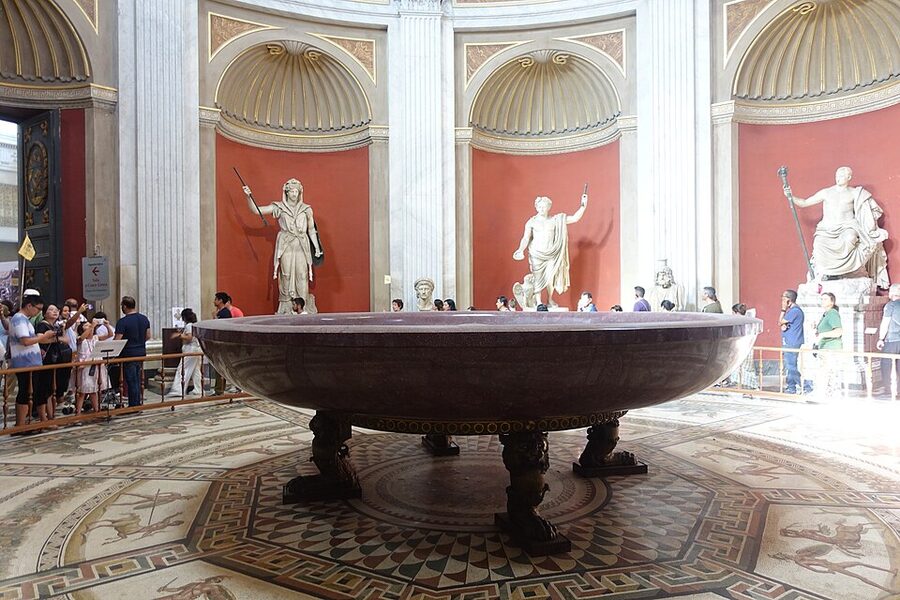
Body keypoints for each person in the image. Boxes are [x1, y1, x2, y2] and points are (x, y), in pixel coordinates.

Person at [784, 166, 888, 286]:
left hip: (847, 226)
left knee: (849, 238)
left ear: (849, 177)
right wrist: (791, 196)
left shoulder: (855, 193)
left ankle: (847, 272)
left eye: (841, 176)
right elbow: (805, 202)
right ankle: (828, 273)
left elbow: (867, 210)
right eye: (837, 175)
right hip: (827, 228)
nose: (838, 178)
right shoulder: (826, 192)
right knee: (818, 244)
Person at [242, 178, 323, 314]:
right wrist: (248, 196)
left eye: (296, 191)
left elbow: (311, 230)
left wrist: (317, 248)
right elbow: (257, 211)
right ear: (286, 192)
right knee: (286, 275)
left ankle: (302, 308)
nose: (294, 194)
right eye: (291, 191)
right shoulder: (279, 207)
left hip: (302, 245)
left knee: (302, 275)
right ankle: (287, 307)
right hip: (286, 244)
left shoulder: (306, 209)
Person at [513, 191, 588, 307]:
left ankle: (549, 299)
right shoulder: (531, 222)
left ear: (549, 207)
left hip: (551, 253)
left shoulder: (555, 220)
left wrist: (583, 205)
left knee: (550, 277)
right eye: (540, 206)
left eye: (544, 206)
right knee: (537, 277)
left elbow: (574, 218)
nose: (542, 209)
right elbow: (525, 238)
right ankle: (538, 302)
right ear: (536, 207)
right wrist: (520, 249)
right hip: (536, 253)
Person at [10, 294, 56, 427]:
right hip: (25, 362)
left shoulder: (26, 320)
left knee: (38, 390)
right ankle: (20, 424)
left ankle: (42, 420)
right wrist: (43, 337)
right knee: (25, 392)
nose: (39, 312)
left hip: (33, 362)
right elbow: (25, 341)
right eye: (38, 309)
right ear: (29, 305)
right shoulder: (18, 319)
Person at [35, 304, 73, 420]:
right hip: (45, 361)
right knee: (45, 390)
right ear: (45, 313)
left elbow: (66, 340)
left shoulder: (55, 326)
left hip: (55, 360)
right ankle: (45, 418)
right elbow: (41, 339)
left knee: (52, 390)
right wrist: (57, 338)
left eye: (57, 310)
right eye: (51, 310)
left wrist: (62, 329)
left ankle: (51, 417)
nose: (55, 312)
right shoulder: (42, 325)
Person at [114, 296, 151, 407]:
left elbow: (117, 340)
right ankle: (137, 402)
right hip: (141, 352)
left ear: (124, 306)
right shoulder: (144, 318)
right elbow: (148, 336)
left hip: (128, 354)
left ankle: (134, 405)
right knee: (138, 378)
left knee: (131, 381)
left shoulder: (122, 322)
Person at [779, 289, 812, 394]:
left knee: (791, 366)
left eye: (784, 299)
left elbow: (780, 322)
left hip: (792, 342)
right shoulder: (792, 311)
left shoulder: (795, 311)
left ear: (789, 300)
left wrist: (783, 310)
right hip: (789, 340)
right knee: (790, 365)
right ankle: (791, 387)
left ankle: (806, 385)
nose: (782, 302)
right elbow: (782, 326)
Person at [167, 308, 203, 398]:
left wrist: (178, 335)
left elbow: (189, 337)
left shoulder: (189, 325)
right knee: (196, 371)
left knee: (182, 369)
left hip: (191, 350)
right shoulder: (195, 325)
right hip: (197, 349)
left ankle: (178, 389)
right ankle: (198, 389)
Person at [814, 292, 843, 399]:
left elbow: (838, 331)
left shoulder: (832, 313)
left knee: (830, 373)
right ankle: (827, 394)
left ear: (832, 302)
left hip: (831, 348)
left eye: (825, 299)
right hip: (825, 348)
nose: (822, 301)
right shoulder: (826, 314)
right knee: (826, 372)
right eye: (821, 299)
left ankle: (830, 395)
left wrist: (822, 335)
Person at [75, 320, 105, 414]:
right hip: (84, 367)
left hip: (95, 366)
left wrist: (107, 325)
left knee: (94, 390)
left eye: (89, 325)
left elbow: (109, 335)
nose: (89, 327)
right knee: (82, 391)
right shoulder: (80, 339)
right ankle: (78, 412)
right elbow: (82, 338)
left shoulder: (95, 338)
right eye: (86, 326)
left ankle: (96, 410)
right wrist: (92, 326)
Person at [876, 283, 900, 396]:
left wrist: (881, 338)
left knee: (886, 364)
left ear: (892, 293)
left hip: (892, 340)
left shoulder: (890, 305)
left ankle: (888, 390)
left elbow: (885, 323)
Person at [728, 304, 759, 389]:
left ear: (736, 312)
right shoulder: (749, 321)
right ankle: (748, 387)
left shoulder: (739, 322)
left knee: (741, 367)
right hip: (747, 346)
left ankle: (746, 387)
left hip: (741, 346)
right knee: (746, 368)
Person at [213, 292, 232, 395]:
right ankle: (218, 389)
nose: (214, 301)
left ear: (220, 300)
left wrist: (215, 318)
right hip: (218, 343)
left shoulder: (225, 313)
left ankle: (219, 390)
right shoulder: (220, 312)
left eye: (215, 299)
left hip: (222, 344)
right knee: (218, 367)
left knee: (220, 367)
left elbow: (222, 328)